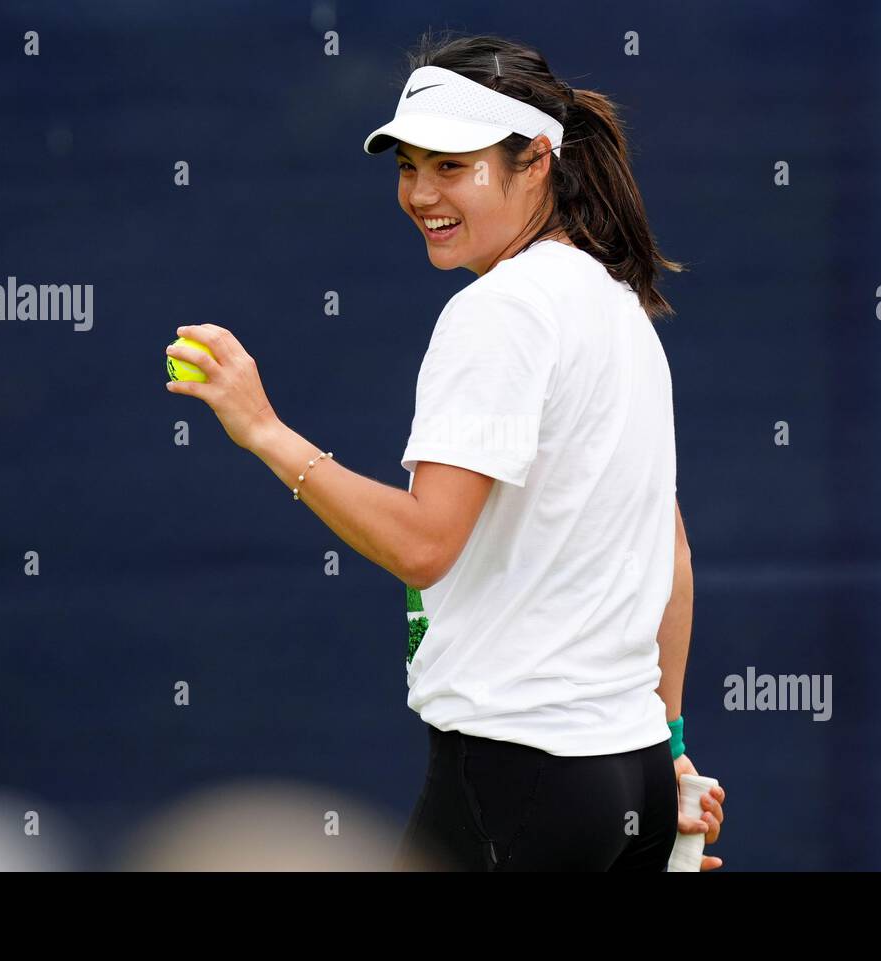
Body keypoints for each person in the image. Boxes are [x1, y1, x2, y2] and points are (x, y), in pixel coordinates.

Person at [164, 31, 725, 871]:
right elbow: (671, 552)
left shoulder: (499, 311)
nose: (422, 193)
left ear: (536, 159)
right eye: (407, 166)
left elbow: (424, 545)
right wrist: (670, 743)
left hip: (519, 781)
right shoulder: (618, 306)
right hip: (631, 784)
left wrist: (265, 431)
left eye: (453, 166)